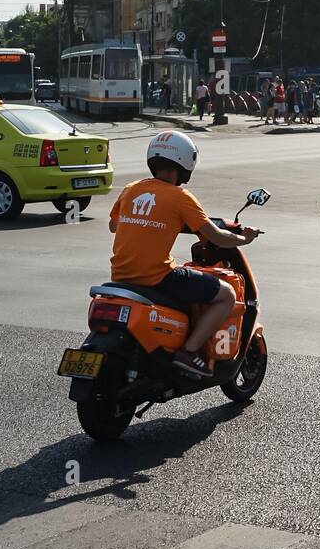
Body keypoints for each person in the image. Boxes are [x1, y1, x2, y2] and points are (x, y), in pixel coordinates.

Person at [109, 132, 261, 376]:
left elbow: (114, 226)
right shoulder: (180, 198)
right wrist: (245, 238)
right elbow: (216, 237)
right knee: (227, 294)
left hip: (120, 277)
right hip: (156, 278)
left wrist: (159, 223)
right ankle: (190, 352)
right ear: (185, 162)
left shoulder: (130, 190)